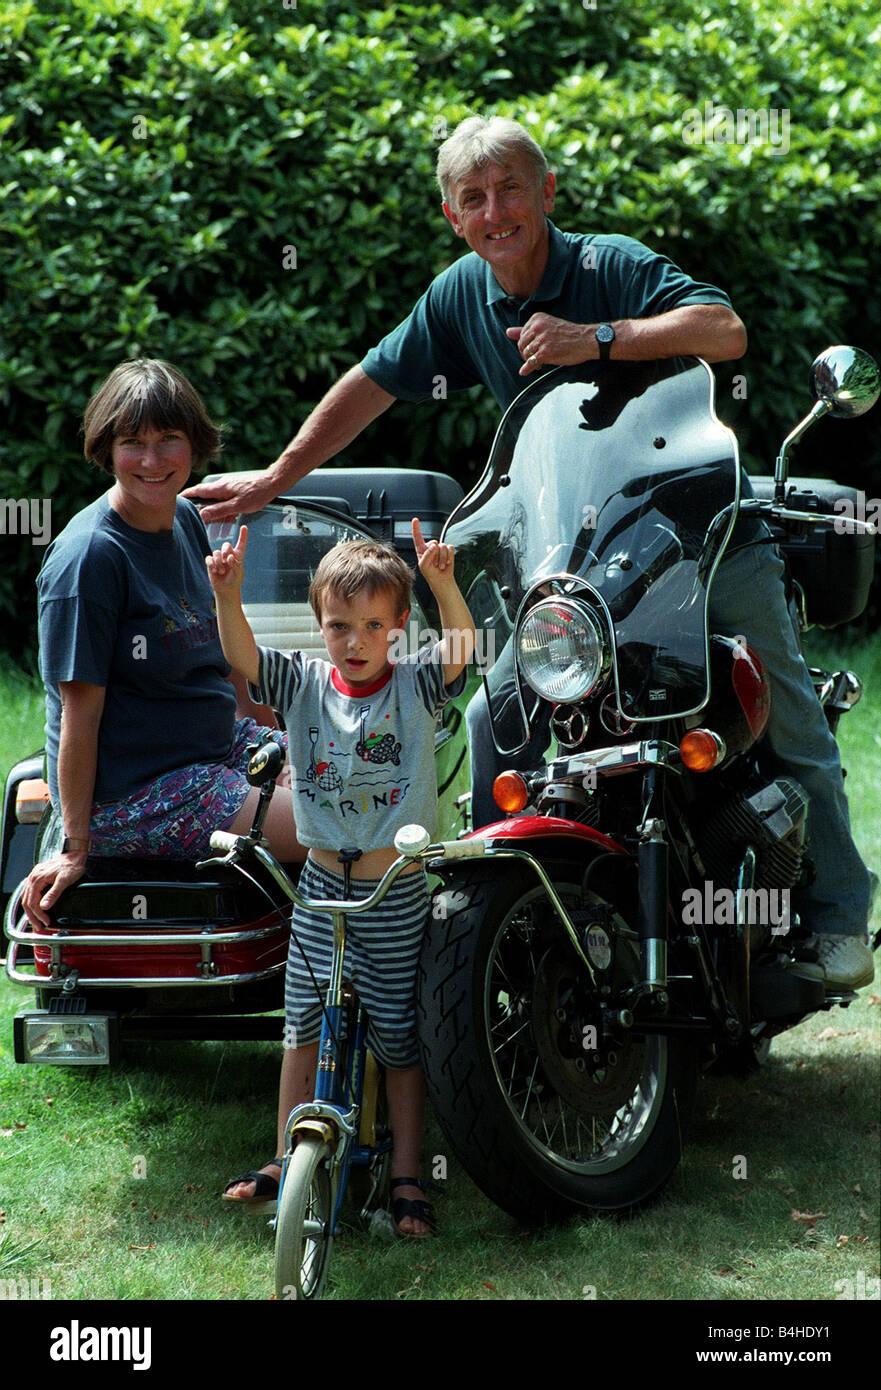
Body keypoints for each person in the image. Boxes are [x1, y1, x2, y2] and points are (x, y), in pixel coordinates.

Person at [186, 115, 875, 992]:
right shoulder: (457, 295)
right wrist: (275, 478)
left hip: (699, 545)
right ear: (452, 216)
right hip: (572, 569)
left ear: (546, 194)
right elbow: (371, 383)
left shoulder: (609, 265)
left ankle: (837, 921)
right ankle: (502, 935)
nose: (495, 210)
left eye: (511, 187)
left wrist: (598, 339)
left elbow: (724, 330)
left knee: (787, 714)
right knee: (489, 721)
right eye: (473, 197)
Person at [209, 521, 474, 1235]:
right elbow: (241, 656)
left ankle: (408, 1173)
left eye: (369, 626)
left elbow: (459, 653)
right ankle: (280, 1156)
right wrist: (227, 594)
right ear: (319, 625)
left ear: (395, 627)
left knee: (397, 1035)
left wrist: (442, 583)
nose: (352, 641)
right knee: (299, 1026)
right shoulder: (298, 683)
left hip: (394, 894)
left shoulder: (416, 686)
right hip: (320, 890)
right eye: (337, 626)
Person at [21, 359, 305, 930]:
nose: (153, 461)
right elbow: (78, 712)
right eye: (134, 443)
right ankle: (331, 976)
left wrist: (273, 743)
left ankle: (344, 965)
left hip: (213, 748)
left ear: (194, 443)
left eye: (169, 439)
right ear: (107, 448)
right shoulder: (90, 560)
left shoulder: (185, 520)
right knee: (336, 821)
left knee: (361, 776)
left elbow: (224, 654)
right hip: (142, 790)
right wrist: (75, 845)